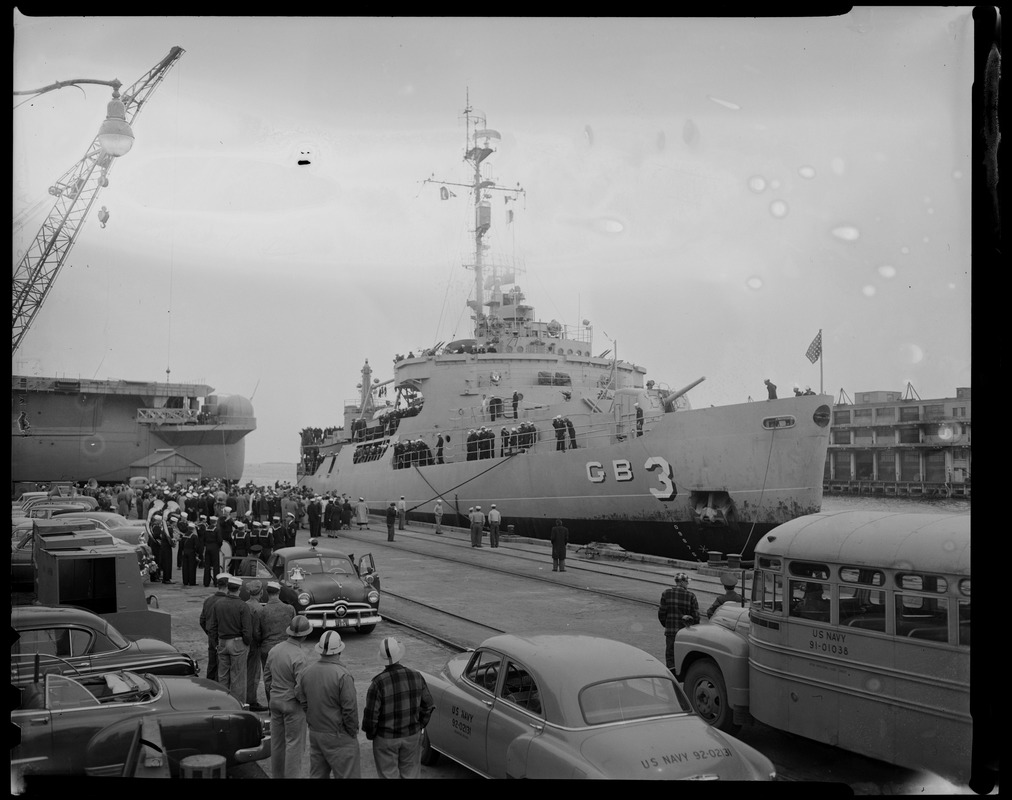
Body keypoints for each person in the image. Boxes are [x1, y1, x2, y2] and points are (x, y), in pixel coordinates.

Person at [362, 637, 435, 779]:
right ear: (399, 654)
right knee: (411, 775)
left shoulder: (378, 683)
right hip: (411, 735)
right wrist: (420, 725)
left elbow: (371, 718)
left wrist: (372, 735)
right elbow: (428, 705)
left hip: (386, 739)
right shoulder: (416, 676)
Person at [296, 630, 362, 779]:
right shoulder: (343, 675)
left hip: (316, 733)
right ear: (340, 650)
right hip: (338, 735)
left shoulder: (306, 672)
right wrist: (351, 732)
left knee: (317, 775)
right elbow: (350, 709)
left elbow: (303, 701)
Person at [264, 614, 312, 779]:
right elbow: (300, 687)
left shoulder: (275, 650)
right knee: (294, 745)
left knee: (277, 743)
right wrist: (305, 706)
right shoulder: (300, 656)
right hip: (292, 704)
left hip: (275, 701)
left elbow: (267, 677)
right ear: (305, 635)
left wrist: (272, 696)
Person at [209, 575, 253, 704]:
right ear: (239, 589)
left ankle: (223, 703)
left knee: (223, 676)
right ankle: (238, 705)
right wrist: (246, 643)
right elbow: (247, 630)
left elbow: (212, 627)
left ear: (228, 588)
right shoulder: (242, 606)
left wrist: (216, 643)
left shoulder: (218, 604)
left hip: (222, 642)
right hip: (238, 643)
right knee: (238, 677)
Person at [658, 572, 700, 670]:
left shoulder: (666, 593)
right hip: (686, 632)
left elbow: (661, 613)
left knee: (670, 655)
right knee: (685, 654)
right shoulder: (691, 596)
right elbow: (696, 616)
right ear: (681, 582)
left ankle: (672, 675)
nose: (687, 584)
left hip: (671, 631)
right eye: (686, 582)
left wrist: (667, 625)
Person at [199, 573, 230, 681]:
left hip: (211, 637)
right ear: (227, 586)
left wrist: (209, 632)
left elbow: (202, 620)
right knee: (224, 668)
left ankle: (210, 687)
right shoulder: (228, 602)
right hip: (224, 638)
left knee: (212, 664)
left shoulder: (208, 600)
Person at [245, 580, 267, 711]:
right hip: (254, 644)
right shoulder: (259, 608)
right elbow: (257, 631)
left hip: (244, 642)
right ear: (261, 592)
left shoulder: (244, 605)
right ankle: (251, 700)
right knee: (253, 673)